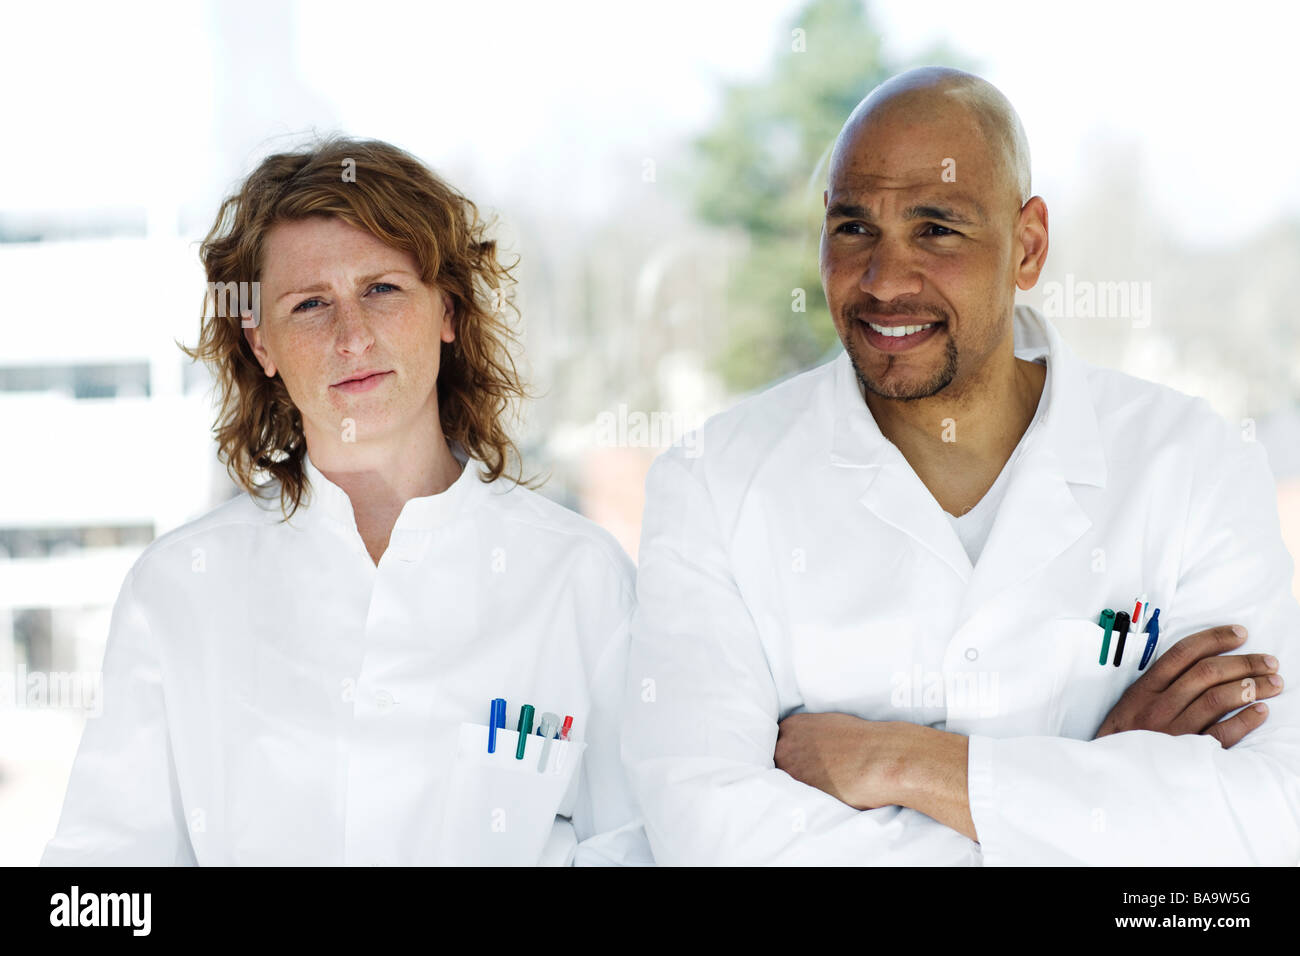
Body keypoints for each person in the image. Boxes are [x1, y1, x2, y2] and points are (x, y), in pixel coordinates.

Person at [622, 67, 1298, 865]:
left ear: (1029, 246)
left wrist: (909, 764)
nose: (884, 280)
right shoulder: (711, 484)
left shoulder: (1190, 464)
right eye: (852, 228)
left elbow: (1268, 819)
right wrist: (1093, 787)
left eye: (936, 228)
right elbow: (710, 835)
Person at [41, 136, 650, 866]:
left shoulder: (579, 577)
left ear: (448, 311)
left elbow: (638, 844)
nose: (352, 336)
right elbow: (100, 878)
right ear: (261, 344)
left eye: (382, 289)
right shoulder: (177, 590)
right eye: (310, 304)